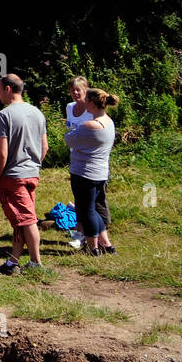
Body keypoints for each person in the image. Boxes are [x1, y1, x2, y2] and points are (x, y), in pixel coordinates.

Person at [0, 73, 49, 274]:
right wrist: (34, 165)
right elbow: (45, 147)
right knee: (20, 219)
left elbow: (2, 152)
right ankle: (13, 261)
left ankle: (36, 263)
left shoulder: (4, 115)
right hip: (32, 173)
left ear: (8, 89)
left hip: (13, 176)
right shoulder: (38, 113)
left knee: (28, 220)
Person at [65, 87, 119, 256]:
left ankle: (93, 248)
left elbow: (69, 139)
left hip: (84, 173)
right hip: (100, 172)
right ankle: (107, 244)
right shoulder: (109, 122)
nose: (83, 102)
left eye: (86, 99)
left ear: (92, 103)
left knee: (86, 211)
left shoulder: (90, 125)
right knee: (93, 209)